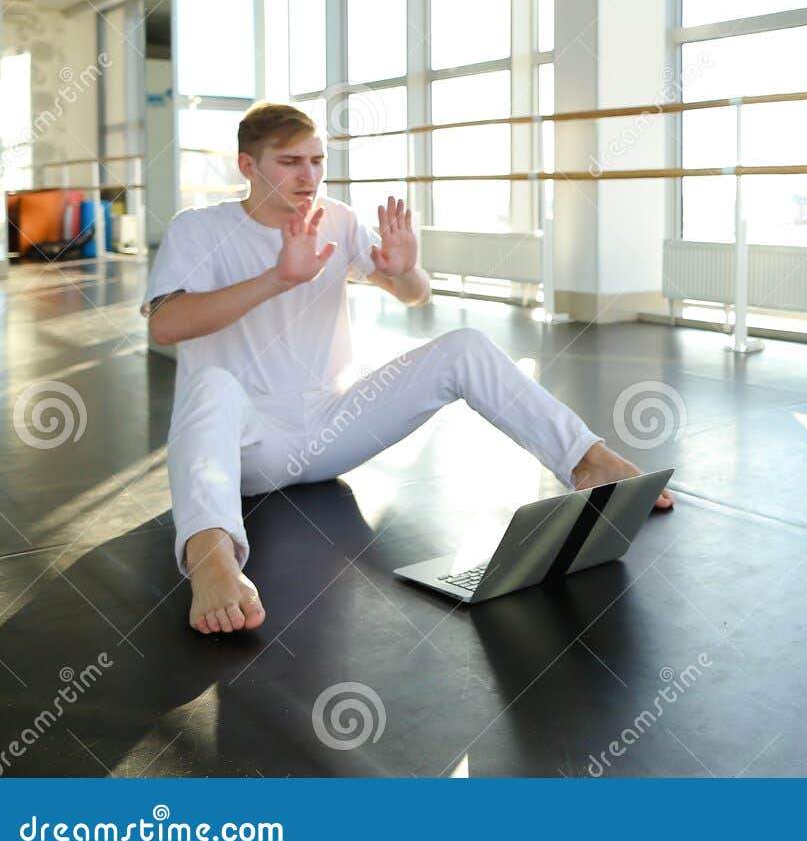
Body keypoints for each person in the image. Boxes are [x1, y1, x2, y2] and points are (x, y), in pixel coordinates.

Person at [141, 102, 671, 636]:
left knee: (464, 346)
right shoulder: (199, 228)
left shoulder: (336, 219)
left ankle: (587, 460)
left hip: (330, 427)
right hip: (249, 446)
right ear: (247, 166)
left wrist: (406, 269)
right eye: (290, 162)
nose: (309, 175)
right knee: (209, 385)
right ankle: (212, 560)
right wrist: (278, 278)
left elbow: (416, 296)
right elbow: (165, 325)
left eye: (317, 160)